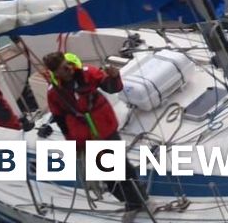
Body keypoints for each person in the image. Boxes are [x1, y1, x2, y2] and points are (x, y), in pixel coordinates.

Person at [42, 51, 150, 220]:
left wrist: (114, 77)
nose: (69, 68)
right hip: (85, 136)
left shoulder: (87, 73)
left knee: (121, 166)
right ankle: (131, 200)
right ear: (56, 73)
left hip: (105, 128)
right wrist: (73, 144)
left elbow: (111, 87)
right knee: (107, 174)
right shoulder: (54, 92)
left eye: (67, 64)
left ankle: (137, 201)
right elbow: (60, 119)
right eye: (63, 68)